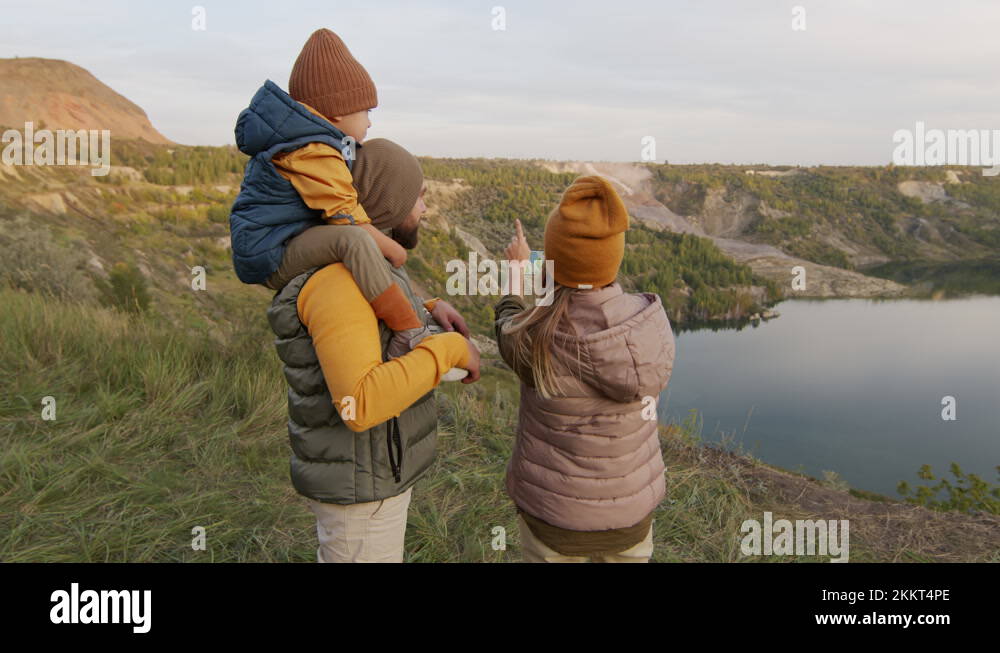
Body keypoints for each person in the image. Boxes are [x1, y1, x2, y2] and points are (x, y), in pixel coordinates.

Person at [267, 139, 481, 563]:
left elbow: (375, 324)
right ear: (390, 201)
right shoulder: (338, 280)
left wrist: (429, 308)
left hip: (371, 478)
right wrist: (451, 348)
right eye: (419, 197)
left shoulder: (367, 266)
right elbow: (360, 404)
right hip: (360, 495)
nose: (426, 209)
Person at [493, 176, 676, 563]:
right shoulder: (648, 326)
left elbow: (510, 321)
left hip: (554, 523)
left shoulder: (536, 339)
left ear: (556, 263)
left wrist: (517, 273)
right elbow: (581, 296)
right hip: (630, 519)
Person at [232, 27, 441, 362]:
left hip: (281, 241)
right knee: (354, 242)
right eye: (367, 111)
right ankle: (408, 329)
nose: (370, 124)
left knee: (355, 242)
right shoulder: (314, 150)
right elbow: (347, 218)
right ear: (339, 111)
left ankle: (413, 319)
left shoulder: (312, 144)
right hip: (270, 253)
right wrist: (393, 250)